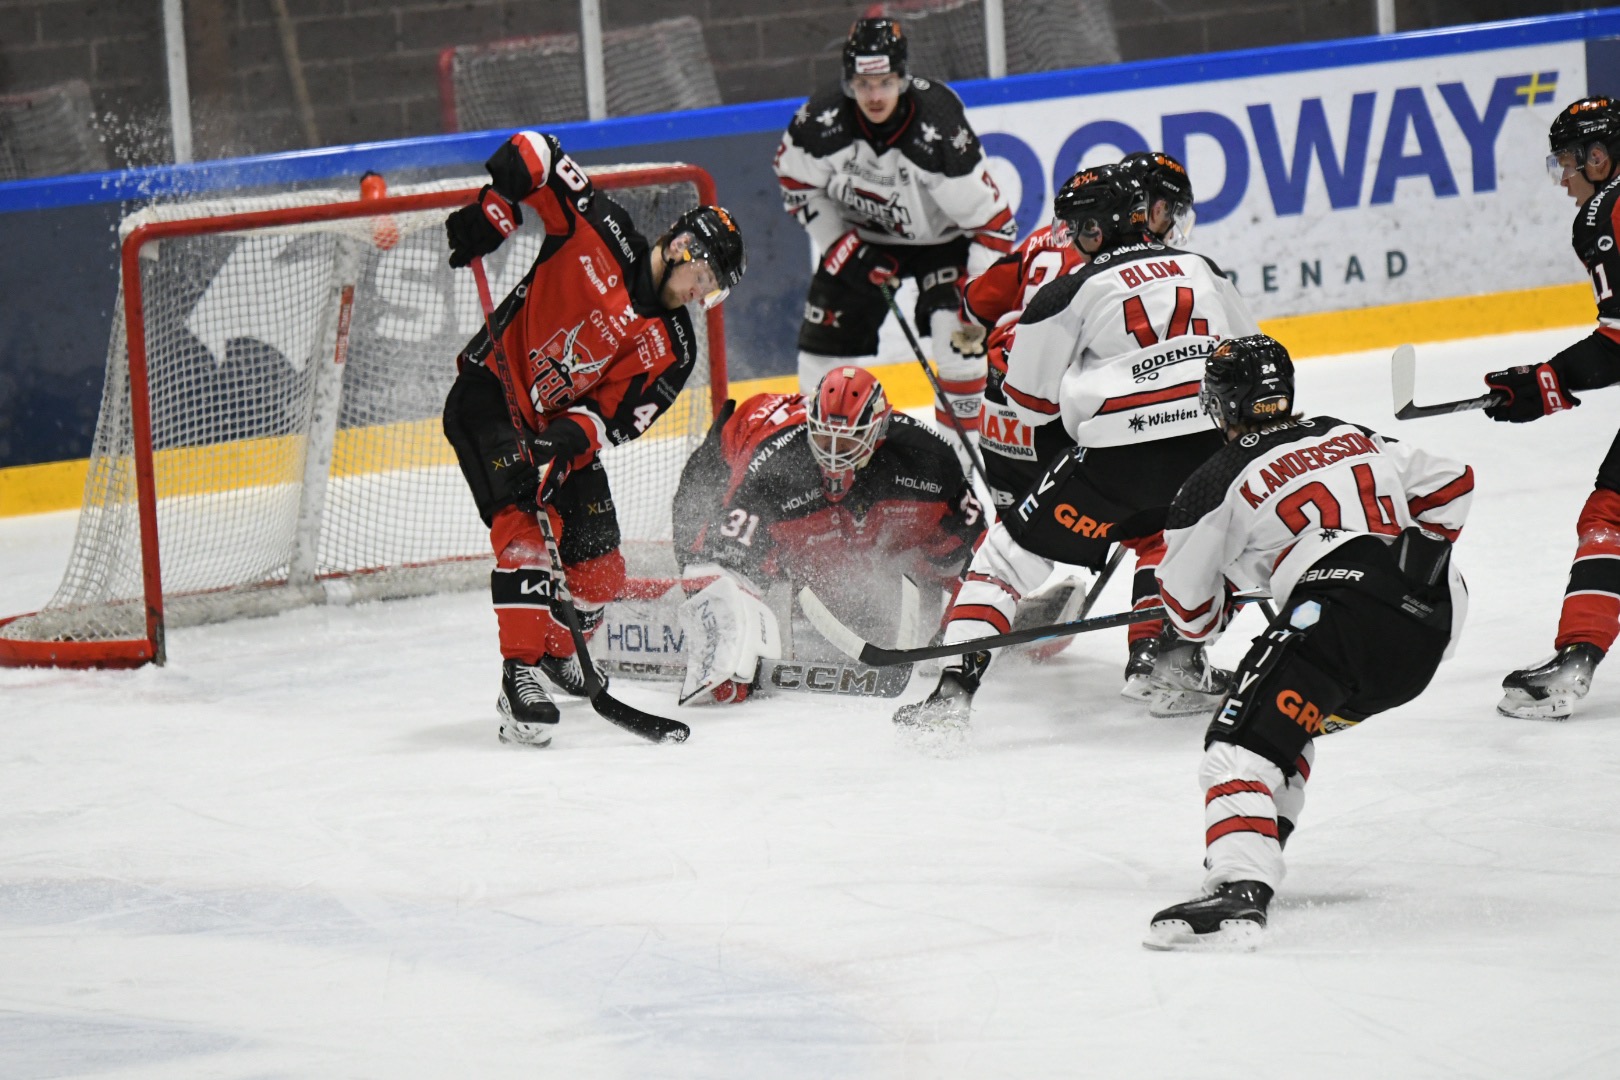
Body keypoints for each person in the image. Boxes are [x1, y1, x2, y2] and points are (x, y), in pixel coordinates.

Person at [894, 163, 1260, 729]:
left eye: (1079, 228)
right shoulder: (1203, 268)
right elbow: (1254, 360)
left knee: (1004, 557)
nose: (1073, 238)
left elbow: (1031, 404)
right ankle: (1169, 662)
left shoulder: (1070, 290)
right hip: (1208, 457)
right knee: (1186, 539)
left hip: (1113, 461)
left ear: (1096, 228)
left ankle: (951, 694)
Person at [1143, 335, 1473, 949]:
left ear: (1224, 403)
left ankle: (1241, 888)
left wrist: (1228, 597)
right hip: (1432, 620)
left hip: (1340, 614)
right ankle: (1257, 836)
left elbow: (1193, 618)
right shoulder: (1347, 432)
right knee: (1288, 725)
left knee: (1236, 745)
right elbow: (1454, 485)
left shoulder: (1211, 482)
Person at [439, 129, 746, 747]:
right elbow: (539, 150)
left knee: (600, 565)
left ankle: (557, 651)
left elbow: (613, 419)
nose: (700, 294)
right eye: (704, 278)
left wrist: (560, 442)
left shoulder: (675, 351)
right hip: (488, 397)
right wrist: (497, 208)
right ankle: (518, 677)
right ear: (684, 246)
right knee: (523, 534)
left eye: (711, 290)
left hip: (557, 433)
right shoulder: (597, 227)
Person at [958, 151, 1198, 675]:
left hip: (1001, 417)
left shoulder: (1046, 239)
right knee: (1161, 527)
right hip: (1061, 425)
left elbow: (975, 305)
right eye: (1158, 212)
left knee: (1011, 539)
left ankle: (969, 613)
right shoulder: (1125, 267)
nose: (1160, 224)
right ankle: (1155, 658)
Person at [670, 366, 985, 704]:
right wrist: (727, 653)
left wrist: (956, 631)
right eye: (823, 439)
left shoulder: (929, 460)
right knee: (700, 549)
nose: (833, 454)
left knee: (937, 554)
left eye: (848, 442)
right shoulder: (777, 466)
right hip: (732, 449)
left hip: (839, 492)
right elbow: (720, 563)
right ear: (810, 427)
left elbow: (975, 557)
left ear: (877, 432)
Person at [772, 16, 1017, 437]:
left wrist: (979, 300)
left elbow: (994, 226)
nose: (874, 95)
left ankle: (963, 471)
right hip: (862, 241)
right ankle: (818, 459)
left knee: (961, 348)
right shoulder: (822, 121)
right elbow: (795, 184)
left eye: (884, 82)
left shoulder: (938, 126)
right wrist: (842, 247)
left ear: (903, 78)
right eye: (863, 85)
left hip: (944, 244)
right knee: (820, 356)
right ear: (849, 83)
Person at [1484, 95, 1620, 721]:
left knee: (1610, 519)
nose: (1563, 176)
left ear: (1600, 156)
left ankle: (1574, 663)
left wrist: (1546, 383)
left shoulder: (1605, 210)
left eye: (1568, 160)